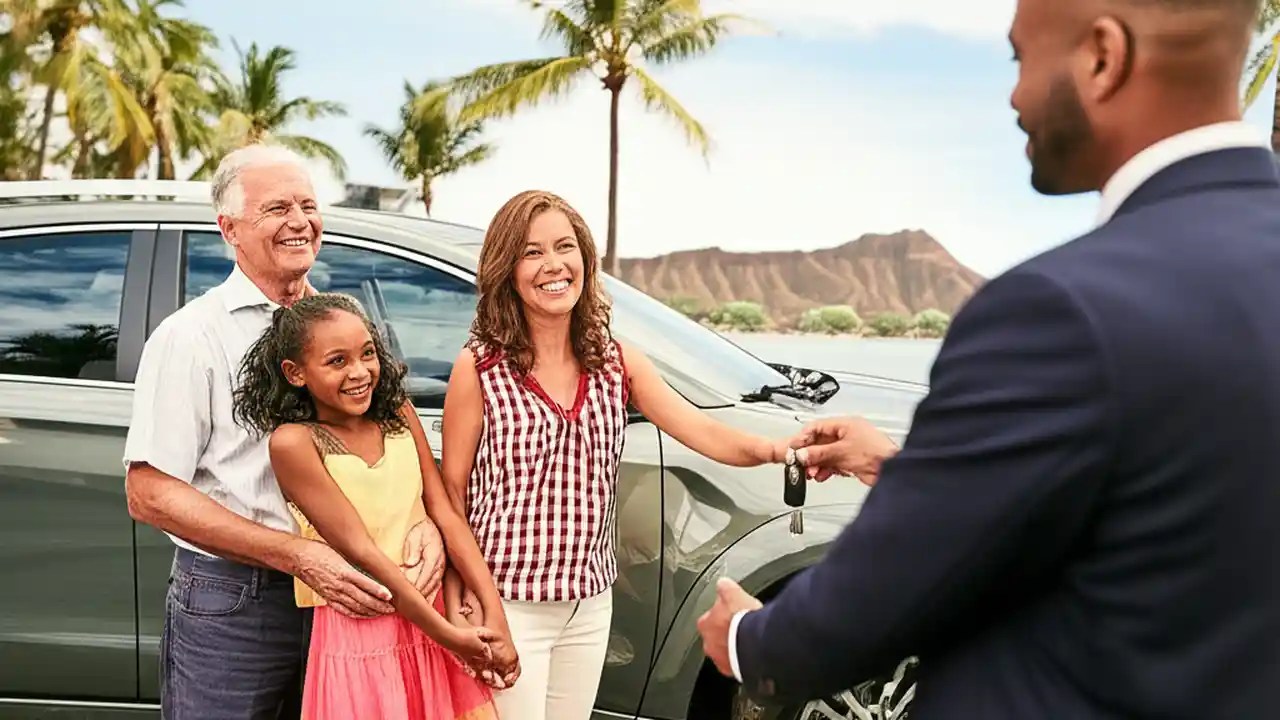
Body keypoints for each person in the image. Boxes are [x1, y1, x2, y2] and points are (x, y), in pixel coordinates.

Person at [698, 0, 1280, 717]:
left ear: (1102, 57)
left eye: (1018, 58)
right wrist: (897, 467)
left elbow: (873, 603)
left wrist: (747, 640)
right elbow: (1170, 497)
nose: (1012, 95)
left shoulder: (1056, 307)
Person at [440, 189, 791, 720]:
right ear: (506, 269)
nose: (553, 265)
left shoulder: (615, 362)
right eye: (531, 252)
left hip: (587, 606)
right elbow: (452, 492)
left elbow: (701, 431)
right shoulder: (480, 369)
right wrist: (462, 596)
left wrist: (777, 449)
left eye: (565, 247)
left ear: (585, 258)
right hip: (507, 603)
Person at [123, 144, 445, 718]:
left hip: (350, 597)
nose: (299, 221)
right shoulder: (191, 337)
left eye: (307, 205)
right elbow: (149, 493)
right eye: (276, 209)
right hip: (239, 602)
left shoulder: (343, 327)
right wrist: (298, 556)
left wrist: (425, 522)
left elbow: (390, 439)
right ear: (230, 229)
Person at [231, 292, 515, 720]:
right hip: (363, 637)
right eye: (337, 361)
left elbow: (444, 512)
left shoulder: (398, 414)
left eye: (367, 354)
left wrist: (495, 618)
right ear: (295, 373)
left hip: (433, 616)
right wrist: (448, 636)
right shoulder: (295, 443)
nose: (360, 372)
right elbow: (360, 551)